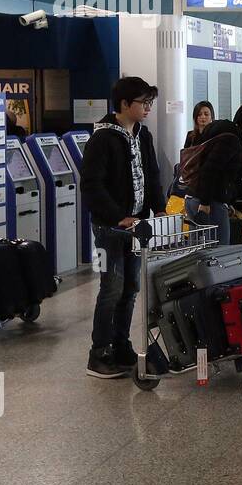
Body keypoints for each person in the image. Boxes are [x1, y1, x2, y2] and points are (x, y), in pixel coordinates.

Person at [80, 77, 165, 379]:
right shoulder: (102, 139)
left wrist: (162, 208)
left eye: (150, 103)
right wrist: (118, 216)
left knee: (131, 288)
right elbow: (91, 186)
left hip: (136, 227)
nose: (148, 108)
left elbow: (152, 176)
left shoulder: (144, 136)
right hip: (110, 229)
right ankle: (98, 353)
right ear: (125, 104)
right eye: (144, 103)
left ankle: (121, 345)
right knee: (111, 288)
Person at [182, 114, 242, 245]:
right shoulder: (229, 140)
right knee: (220, 251)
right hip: (209, 202)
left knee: (196, 250)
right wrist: (205, 203)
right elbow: (210, 170)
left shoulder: (211, 139)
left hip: (193, 197)